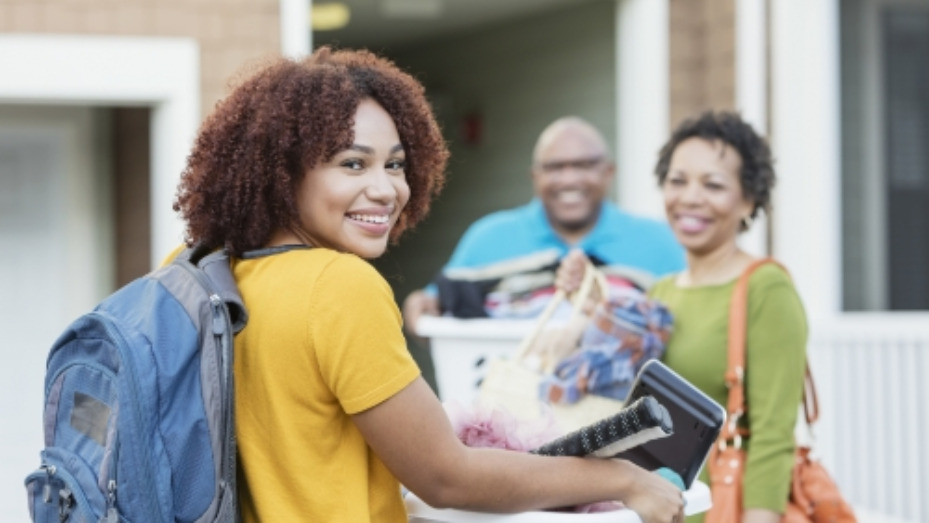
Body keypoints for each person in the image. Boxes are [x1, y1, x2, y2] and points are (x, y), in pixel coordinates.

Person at [171, 47, 685, 522]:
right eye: (352, 163)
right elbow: (447, 476)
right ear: (281, 173)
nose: (386, 188)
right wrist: (622, 480)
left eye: (395, 164)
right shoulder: (338, 286)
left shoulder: (203, 269)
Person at [557, 110, 807, 523]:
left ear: (748, 200)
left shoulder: (766, 289)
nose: (690, 197)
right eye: (678, 181)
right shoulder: (661, 292)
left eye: (713, 184)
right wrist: (590, 310)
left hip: (722, 512)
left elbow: (773, 438)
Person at [402, 116, 685, 333]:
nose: (569, 179)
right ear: (534, 176)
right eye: (554, 167)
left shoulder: (660, 241)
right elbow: (433, 312)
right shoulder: (488, 237)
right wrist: (419, 306)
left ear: (609, 172)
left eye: (584, 165)